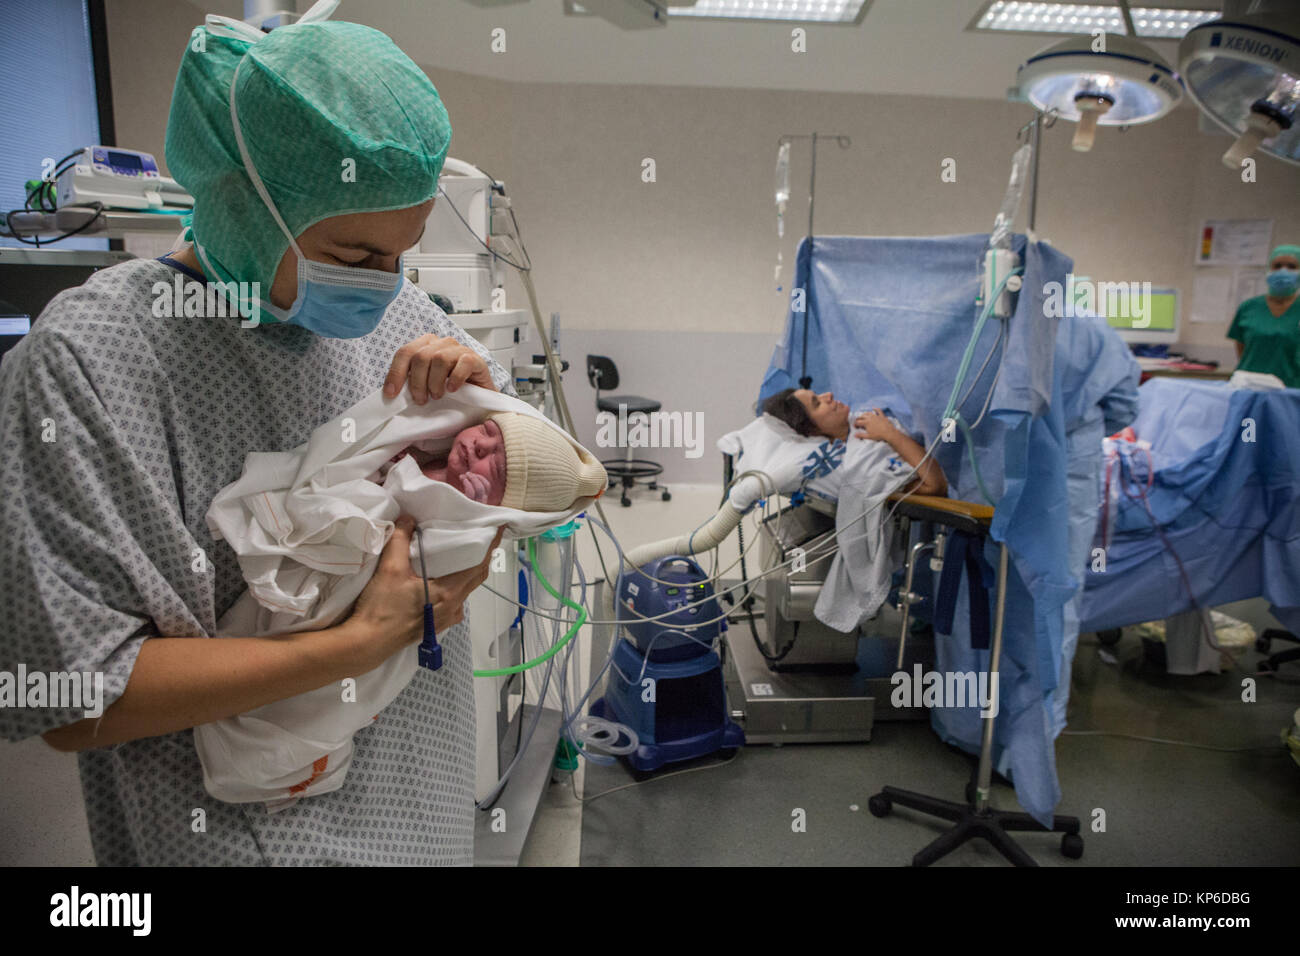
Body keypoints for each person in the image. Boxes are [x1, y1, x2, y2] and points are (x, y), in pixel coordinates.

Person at [0, 8, 506, 865]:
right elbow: (80, 696)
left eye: (401, 254)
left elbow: (511, 511)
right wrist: (357, 643)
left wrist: (489, 437)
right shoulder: (91, 361)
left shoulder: (412, 327)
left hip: (422, 817)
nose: (383, 288)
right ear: (243, 201)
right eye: (354, 252)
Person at [377, 412, 607, 508]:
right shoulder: (429, 450)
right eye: (486, 430)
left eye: (496, 467)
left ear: (498, 504)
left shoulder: (465, 515)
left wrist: (467, 511)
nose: (481, 445)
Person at [761, 387, 948, 496]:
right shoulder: (860, 466)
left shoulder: (862, 418)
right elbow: (935, 485)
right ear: (812, 430)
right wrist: (891, 434)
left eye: (817, 394)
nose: (829, 395)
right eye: (817, 403)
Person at [1227, 244, 1300, 388]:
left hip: (1290, 389)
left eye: (1291, 267)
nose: (1283, 271)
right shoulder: (1249, 307)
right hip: (1248, 386)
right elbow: (1241, 348)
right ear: (1269, 269)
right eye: (1277, 266)